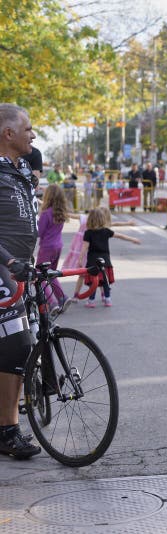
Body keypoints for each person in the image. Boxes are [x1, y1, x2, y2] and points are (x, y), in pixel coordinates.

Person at [0, 103, 41, 458]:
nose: (33, 134)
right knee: (17, 344)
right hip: (4, 265)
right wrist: (9, 260)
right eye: (27, 128)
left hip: (23, 264)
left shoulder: (22, 167)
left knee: (21, 345)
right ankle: (8, 430)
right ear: (7, 134)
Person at [82, 207, 141, 308]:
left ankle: (91, 301)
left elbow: (84, 247)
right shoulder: (106, 231)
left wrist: (80, 259)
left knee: (94, 282)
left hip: (93, 261)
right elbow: (120, 236)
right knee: (105, 281)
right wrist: (132, 239)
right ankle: (107, 299)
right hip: (105, 261)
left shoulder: (88, 233)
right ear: (103, 219)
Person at [36, 185, 70, 308]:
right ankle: (63, 298)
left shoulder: (46, 214)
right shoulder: (60, 213)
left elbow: (39, 232)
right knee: (52, 273)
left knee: (41, 273)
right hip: (58, 246)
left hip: (47, 247)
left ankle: (52, 303)